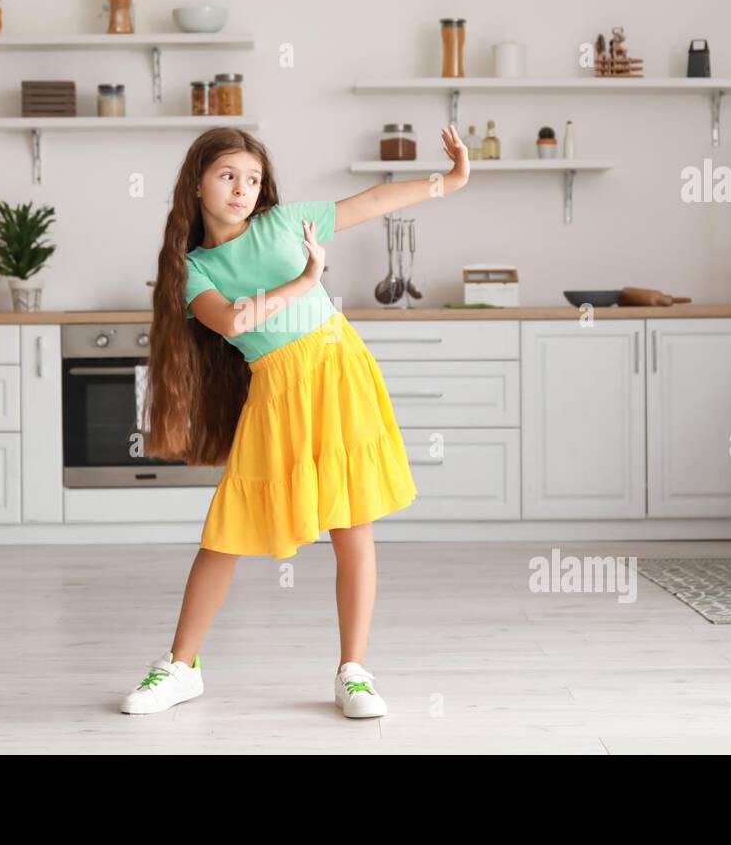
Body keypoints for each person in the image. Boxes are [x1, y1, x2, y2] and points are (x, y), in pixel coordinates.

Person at [122, 124, 470, 717]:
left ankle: (353, 671)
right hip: (277, 392)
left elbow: (374, 200)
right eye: (228, 175)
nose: (242, 189)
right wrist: (306, 282)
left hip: (338, 371)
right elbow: (232, 322)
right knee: (226, 531)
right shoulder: (193, 270)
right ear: (197, 184)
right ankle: (181, 667)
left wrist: (452, 179)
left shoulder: (286, 222)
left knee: (351, 520)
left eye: (253, 179)